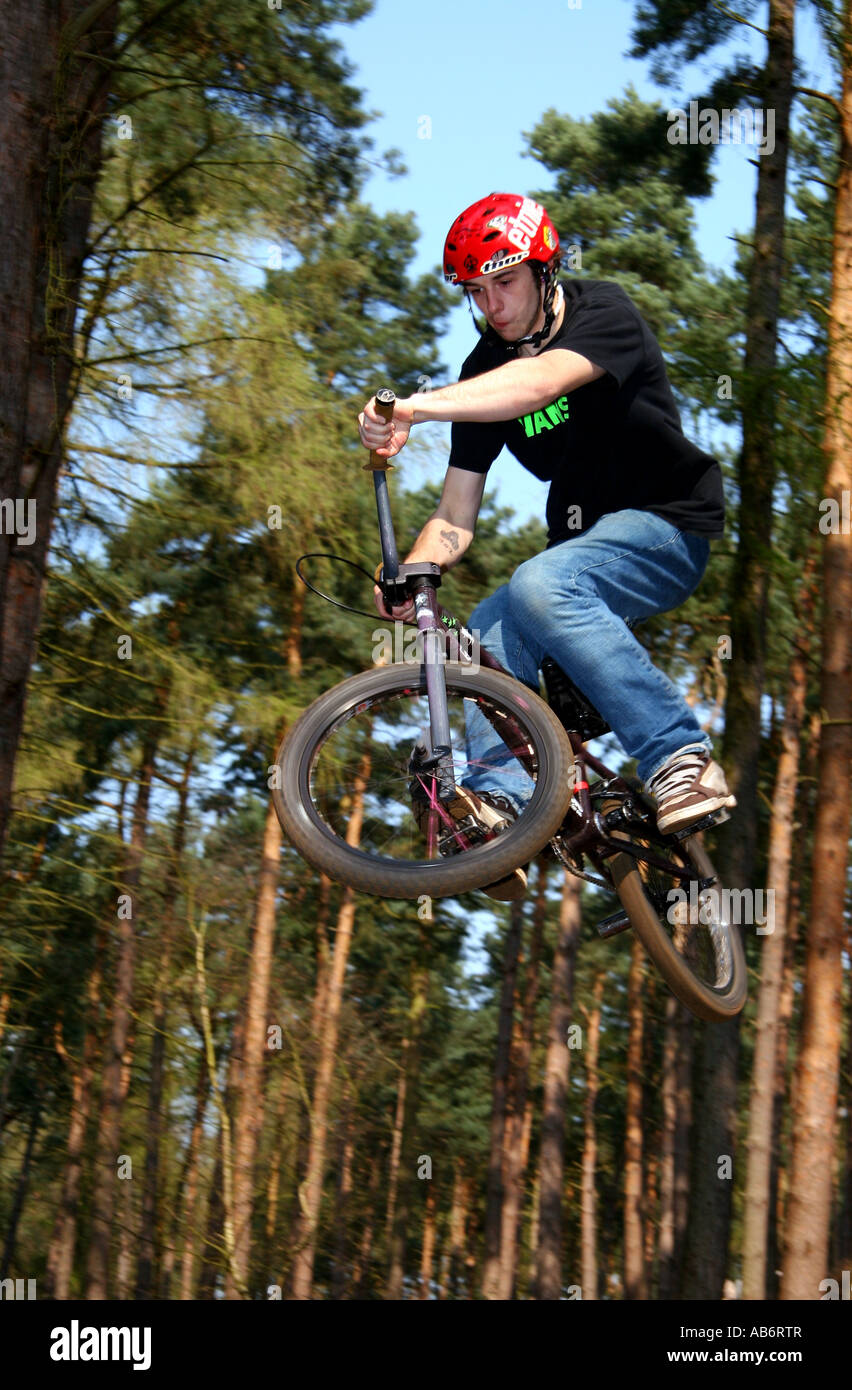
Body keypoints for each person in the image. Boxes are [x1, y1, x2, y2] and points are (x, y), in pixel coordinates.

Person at [358, 191, 735, 900]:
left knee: (538, 586)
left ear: (544, 270)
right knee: (484, 638)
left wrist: (413, 404)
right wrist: (412, 570)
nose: (492, 305)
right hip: (581, 547)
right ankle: (502, 805)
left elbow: (537, 385)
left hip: (666, 523)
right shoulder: (481, 373)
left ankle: (678, 756)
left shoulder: (604, 313)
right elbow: (455, 514)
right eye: (476, 291)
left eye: (505, 282)